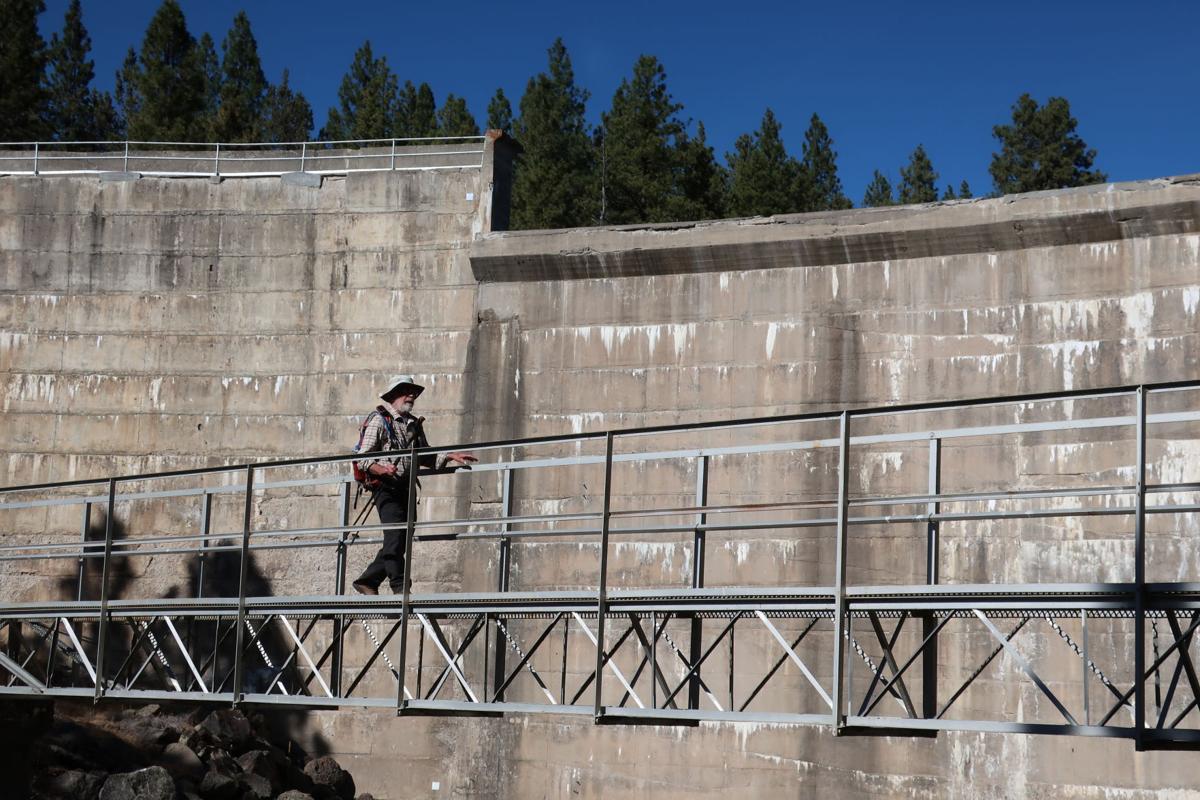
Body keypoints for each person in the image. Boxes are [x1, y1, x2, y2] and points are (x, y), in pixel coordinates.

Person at [351, 375, 475, 595]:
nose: (411, 396)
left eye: (413, 392)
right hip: (386, 488)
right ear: (393, 396)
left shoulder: (413, 424)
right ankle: (400, 589)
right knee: (396, 536)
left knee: (401, 537)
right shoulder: (379, 420)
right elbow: (363, 458)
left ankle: (368, 580)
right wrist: (382, 469)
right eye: (406, 391)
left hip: (405, 489)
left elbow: (425, 456)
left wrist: (449, 456)